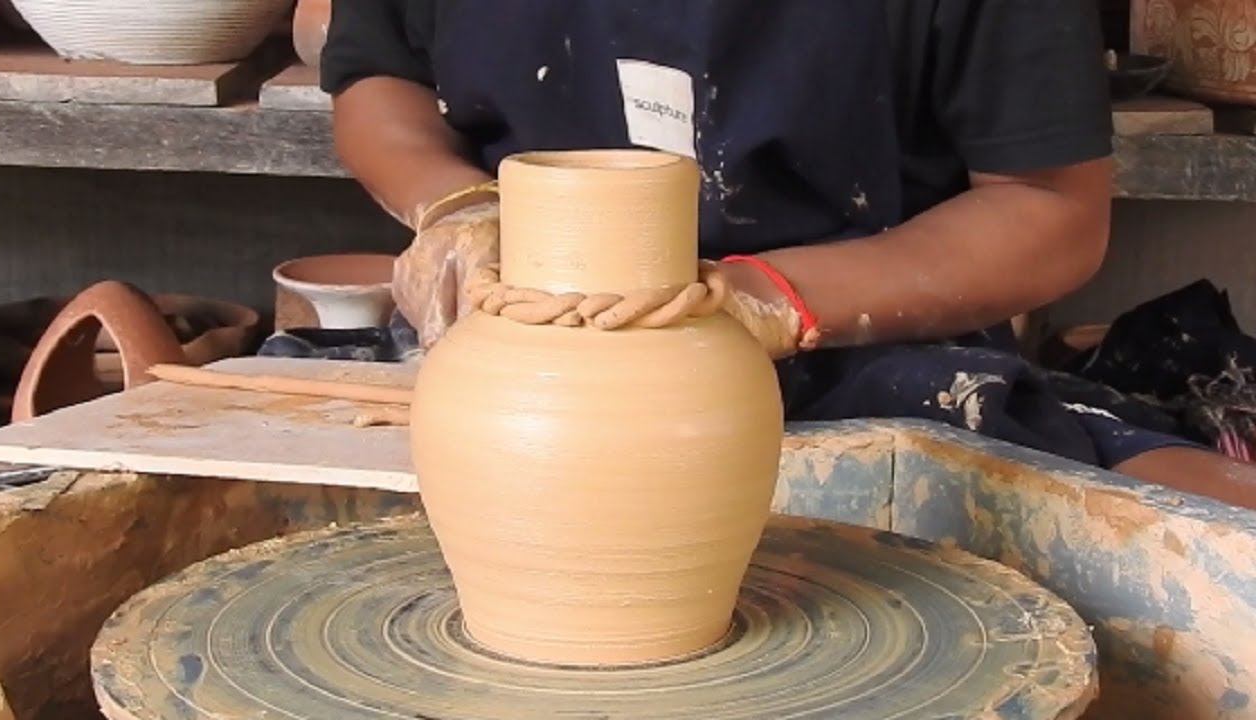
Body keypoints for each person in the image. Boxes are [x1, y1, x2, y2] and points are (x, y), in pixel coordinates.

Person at [319, 0, 1256, 508]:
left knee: (1193, 544)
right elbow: (377, 75)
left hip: (860, 339)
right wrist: (454, 205)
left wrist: (758, 299)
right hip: (516, 326)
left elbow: (1047, 208)